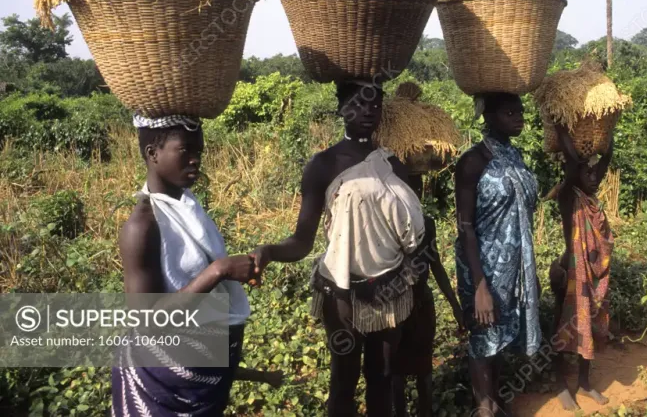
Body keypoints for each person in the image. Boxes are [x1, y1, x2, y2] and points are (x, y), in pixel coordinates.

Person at [250, 81, 426, 417]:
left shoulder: (392, 163)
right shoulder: (323, 165)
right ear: (341, 109)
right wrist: (269, 251)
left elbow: (413, 228)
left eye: (374, 105)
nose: (367, 111)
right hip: (343, 293)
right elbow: (302, 241)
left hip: (390, 289)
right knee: (343, 380)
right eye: (357, 104)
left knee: (382, 377)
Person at [114, 115, 257, 416]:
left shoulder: (186, 203)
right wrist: (218, 271)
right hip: (163, 384)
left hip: (203, 372)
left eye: (199, 151)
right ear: (153, 154)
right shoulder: (142, 226)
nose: (195, 160)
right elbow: (147, 322)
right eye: (185, 150)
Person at [454, 93, 541, 416]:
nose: (518, 118)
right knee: (483, 339)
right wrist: (480, 286)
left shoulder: (515, 157)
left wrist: (527, 273)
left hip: (513, 268)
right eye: (509, 113)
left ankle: (496, 402)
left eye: (520, 112)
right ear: (488, 117)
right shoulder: (472, 162)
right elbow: (465, 226)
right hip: (483, 267)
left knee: (500, 339)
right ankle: (484, 408)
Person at [549, 128, 615, 411]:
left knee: (590, 323)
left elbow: (606, 157)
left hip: (594, 273)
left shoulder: (591, 197)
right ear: (574, 174)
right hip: (569, 274)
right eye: (587, 173)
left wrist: (607, 128)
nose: (593, 177)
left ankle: (585, 383)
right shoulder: (568, 195)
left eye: (595, 173)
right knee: (562, 327)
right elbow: (575, 163)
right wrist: (561, 127)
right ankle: (560, 385)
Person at [392, 177, 465, 417]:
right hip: (396, 306)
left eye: (416, 190)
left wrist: (455, 305)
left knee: (423, 369)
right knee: (396, 371)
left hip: (421, 304)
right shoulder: (388, 224)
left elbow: (436, 266)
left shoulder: (427, 224)